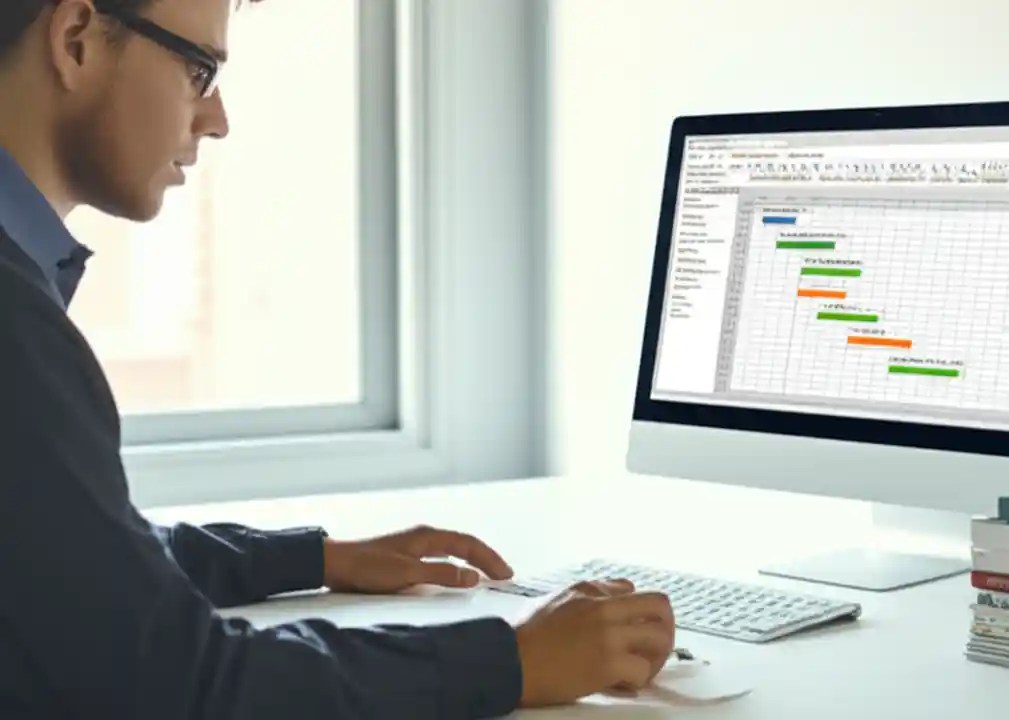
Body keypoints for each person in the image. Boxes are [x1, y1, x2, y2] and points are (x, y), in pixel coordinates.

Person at [0, 1, 676, 718]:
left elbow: (68, 559)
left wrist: (314, 558)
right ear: (76, 41)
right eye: (201, 70)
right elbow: (187, 686)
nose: (217, 117)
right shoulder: (17, 331)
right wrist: (515, 658)